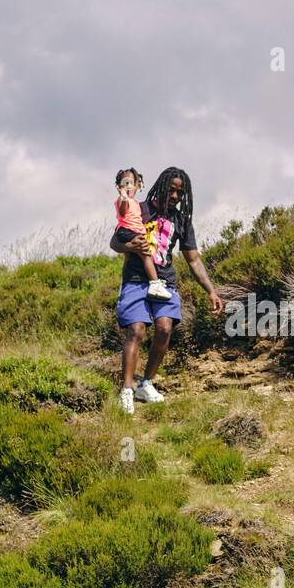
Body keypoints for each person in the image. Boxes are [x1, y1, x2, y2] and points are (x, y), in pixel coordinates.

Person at [109, 166, 223, 413]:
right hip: (136, 279)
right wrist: (130, 245)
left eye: (179, 193)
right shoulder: (141, 209)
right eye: (170, 190)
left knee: (164, 329)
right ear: (161, 186)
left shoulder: (182, 220)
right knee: (136, 331)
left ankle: (145, 383)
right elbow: (115, 241)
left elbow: (193, 259)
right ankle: (127, 390)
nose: (174, 196)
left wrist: (211, 291)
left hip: (166, 282)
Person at [113, 167, 172, 300]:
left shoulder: (135, 203)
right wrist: (122, 195)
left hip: (131, 231)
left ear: (137, 185)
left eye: (131, 183)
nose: (128, 186)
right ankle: (154, 283)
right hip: (128, 231)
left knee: (128, 258)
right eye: (125, 183)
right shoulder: (123, 200)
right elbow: (122, 212)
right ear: (119, 186)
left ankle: (124, 284)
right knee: (146, 254)